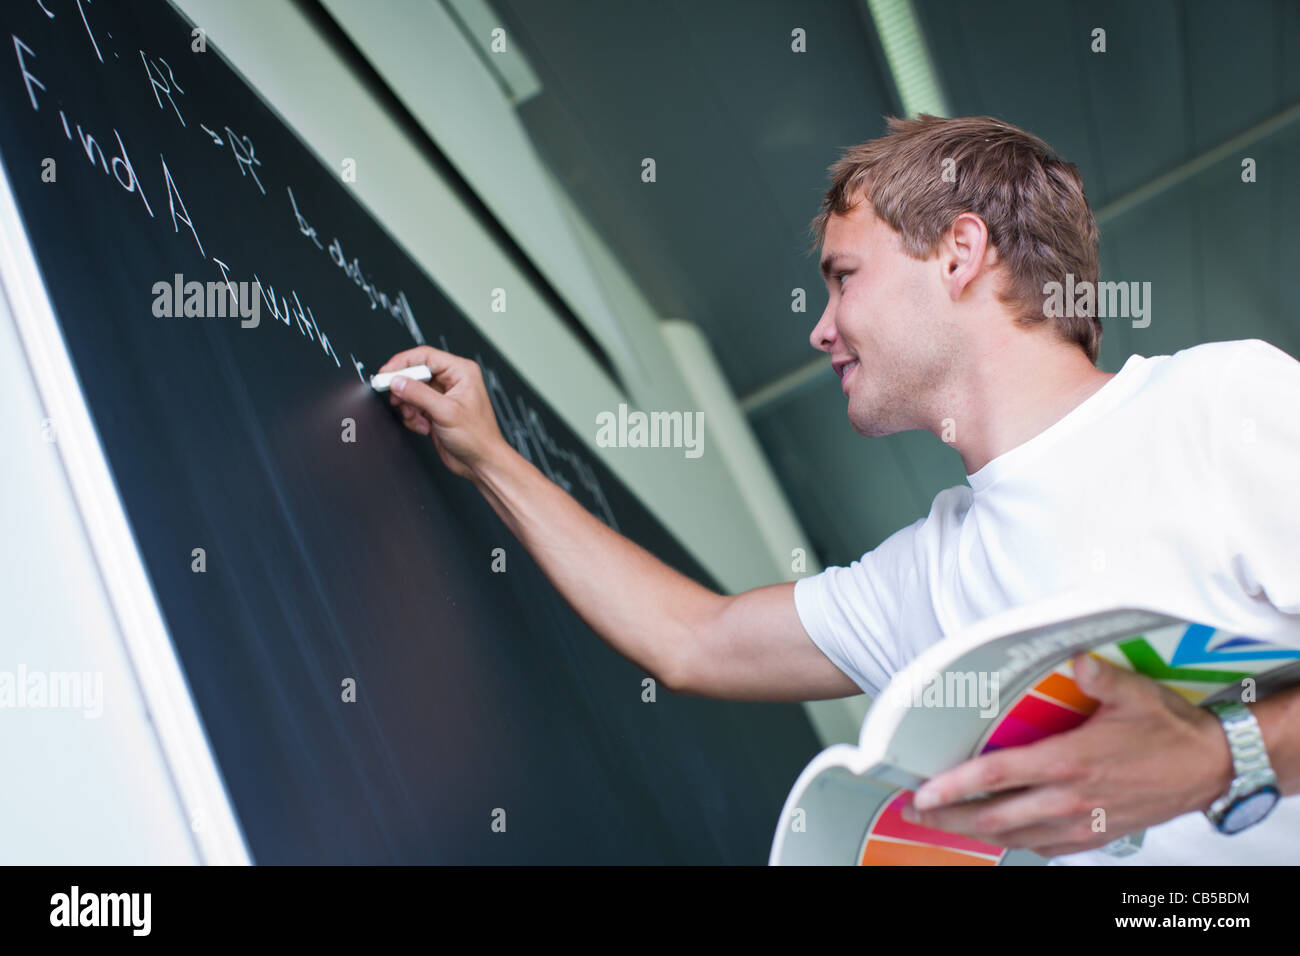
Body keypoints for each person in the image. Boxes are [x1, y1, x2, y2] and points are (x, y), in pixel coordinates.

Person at [378, 114, 1300, 865]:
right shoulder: (928, 575)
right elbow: (692, 641)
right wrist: (492, 460)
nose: (821, 331)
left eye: (843, 279)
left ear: (958, 253)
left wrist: (1222, 757)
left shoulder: (1222, 405)